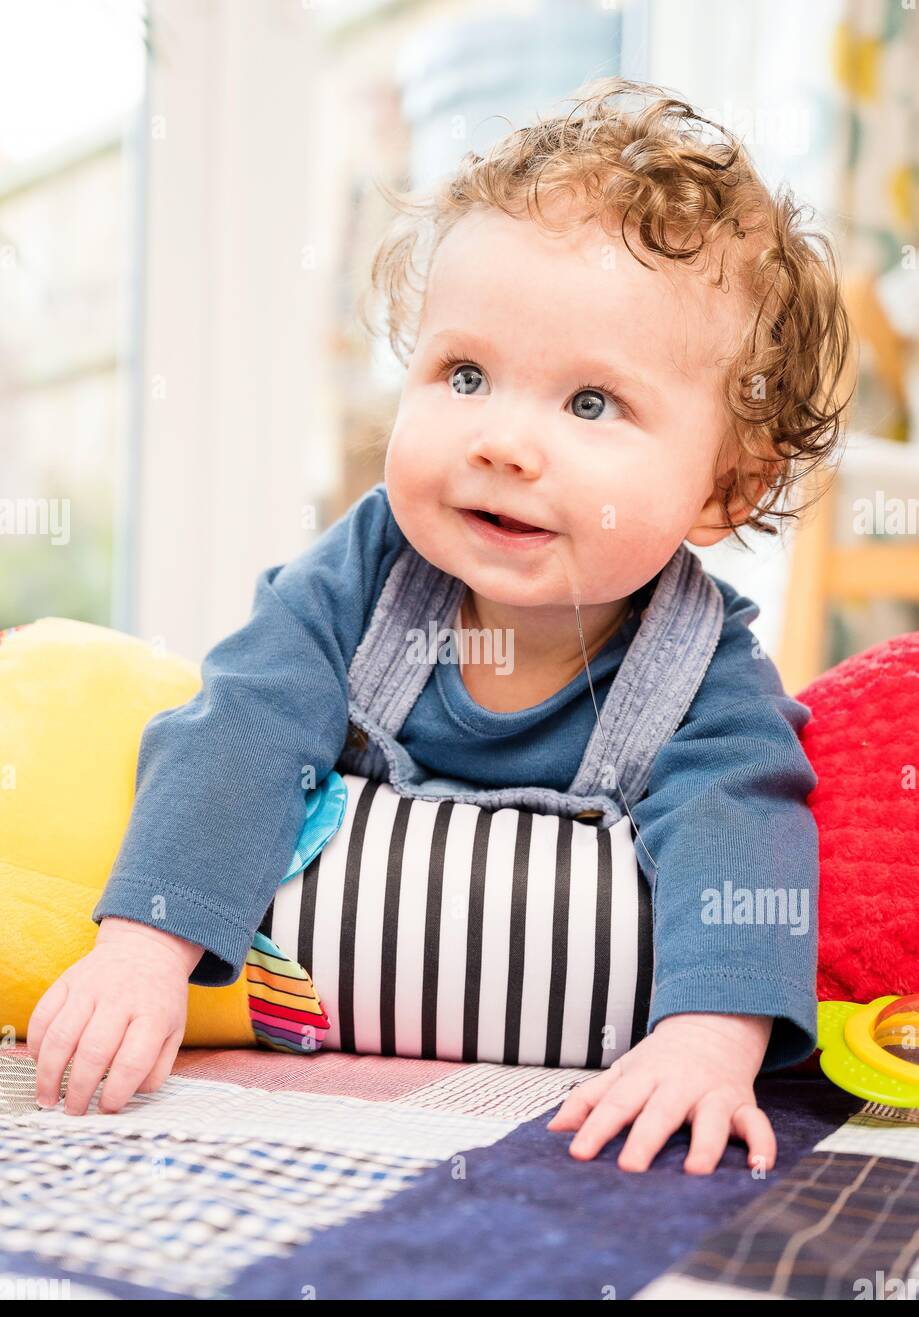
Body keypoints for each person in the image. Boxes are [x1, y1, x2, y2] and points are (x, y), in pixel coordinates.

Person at [27, 78, 850, 1175]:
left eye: (591, 403)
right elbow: (242, 726)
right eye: (464, 373)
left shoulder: (699, 671)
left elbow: (741, 831)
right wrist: (143, 949)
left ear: (726, 488)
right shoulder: (365, 577)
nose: (502, 440)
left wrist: (708, 1039)